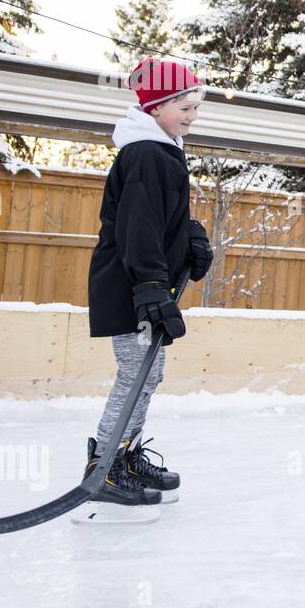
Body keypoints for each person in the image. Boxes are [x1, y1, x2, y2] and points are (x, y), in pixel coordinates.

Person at [85, 58, 213, 510]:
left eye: (196, 107)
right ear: (155, 105)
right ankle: (105, 465)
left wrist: (191, 234)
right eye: (184, 106)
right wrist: (151, 287)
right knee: (136, 376)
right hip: (130, 286)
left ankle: (126, 456)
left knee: (146, 374)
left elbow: (161, 216)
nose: (192, 116)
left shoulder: (159, 149)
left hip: (140, 284)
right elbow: (137, 229)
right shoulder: (145, 153)